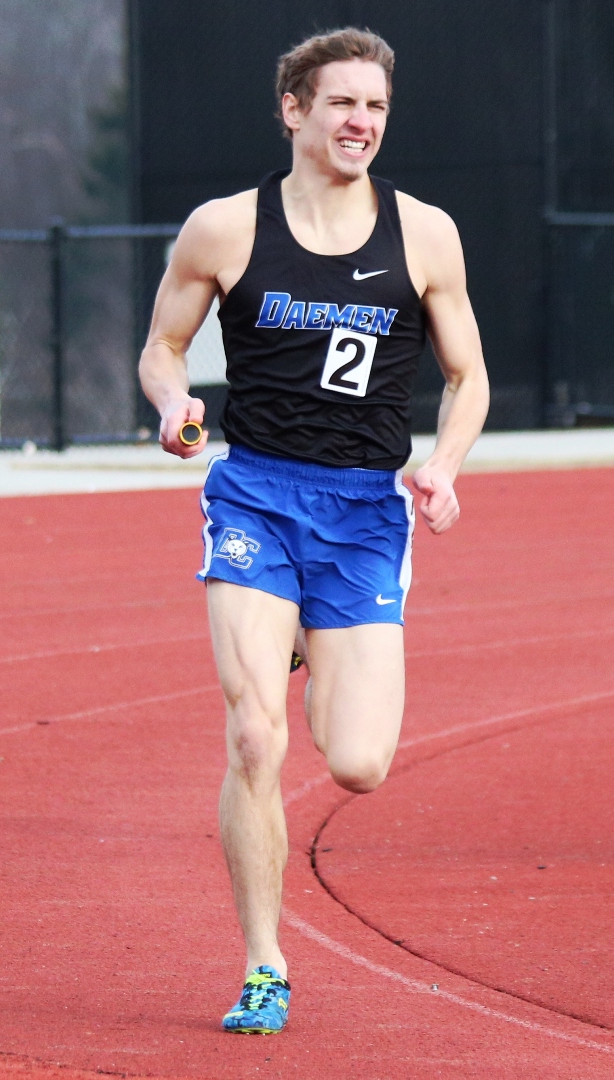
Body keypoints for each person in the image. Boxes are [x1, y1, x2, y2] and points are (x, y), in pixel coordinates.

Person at [137, 27, 490, 1033]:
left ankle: (298, 631)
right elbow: (162, 348)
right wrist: (172, 405)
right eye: (341, 103)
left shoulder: (423, 233)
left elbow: (469, 377)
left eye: (374, 106)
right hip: (255, 495)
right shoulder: (224, 229)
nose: (360, 123)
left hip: (366, 514)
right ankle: (263, 964)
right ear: (294, 110)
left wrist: (444, 463)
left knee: (357, 763)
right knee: (255, 734)